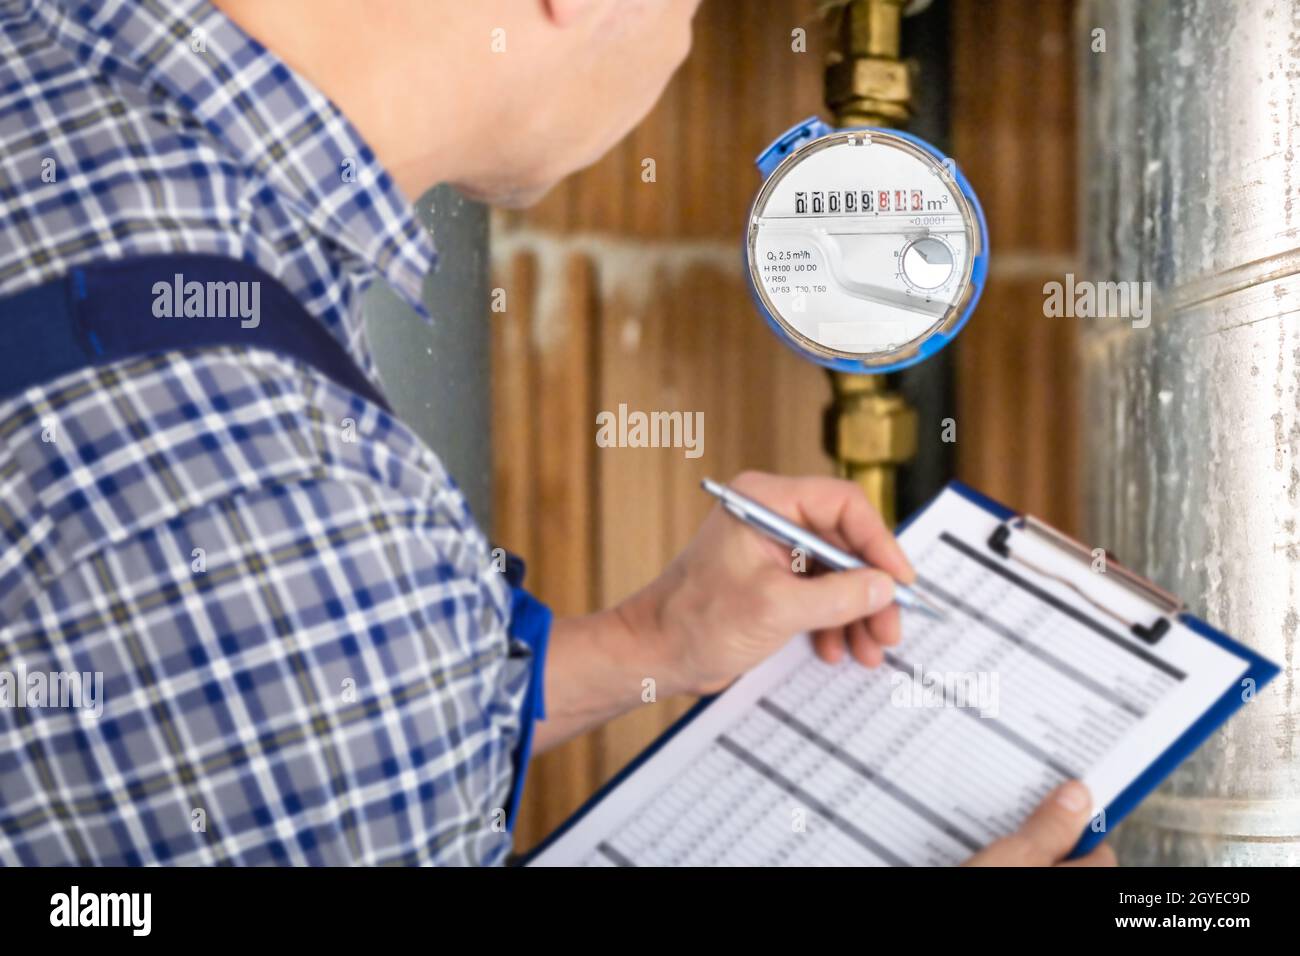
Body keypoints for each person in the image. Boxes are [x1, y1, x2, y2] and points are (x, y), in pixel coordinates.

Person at [0, 0, 1113, 867]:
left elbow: (221, 736)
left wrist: (646, 640)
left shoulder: (57, 71)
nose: (682, 38)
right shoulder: (278, 492)